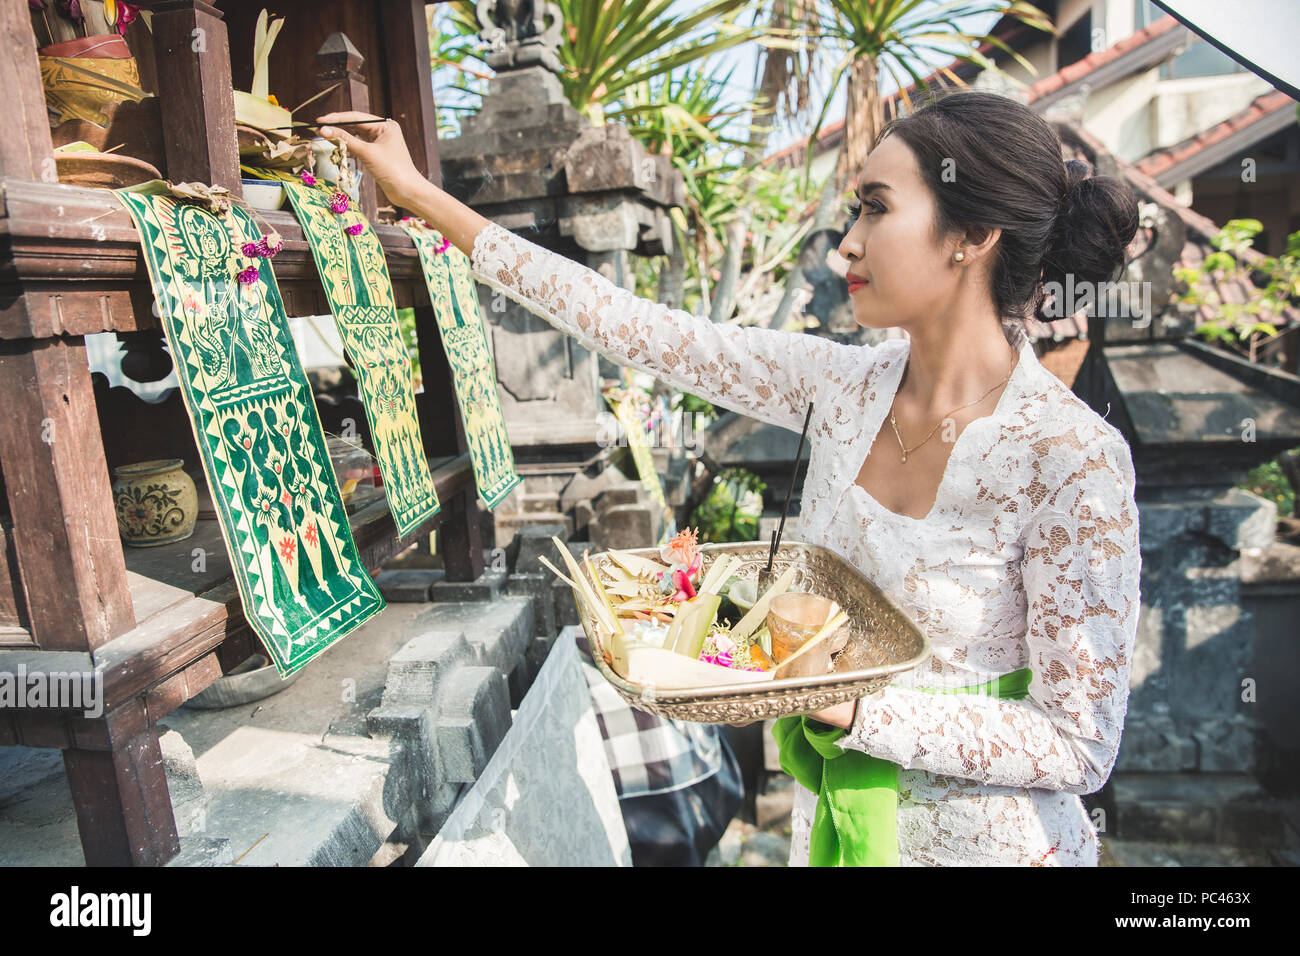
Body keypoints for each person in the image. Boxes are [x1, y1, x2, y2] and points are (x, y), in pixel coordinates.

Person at [317, 86, 1142, 867]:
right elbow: (633, 328)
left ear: (973, 235)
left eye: (877, 207)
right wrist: (422, 196)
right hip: (834, 822)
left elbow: (1079, 742)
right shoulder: (839, 385)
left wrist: (856, 709)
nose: (846, 240)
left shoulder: (1069, 458)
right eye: (856, 207)